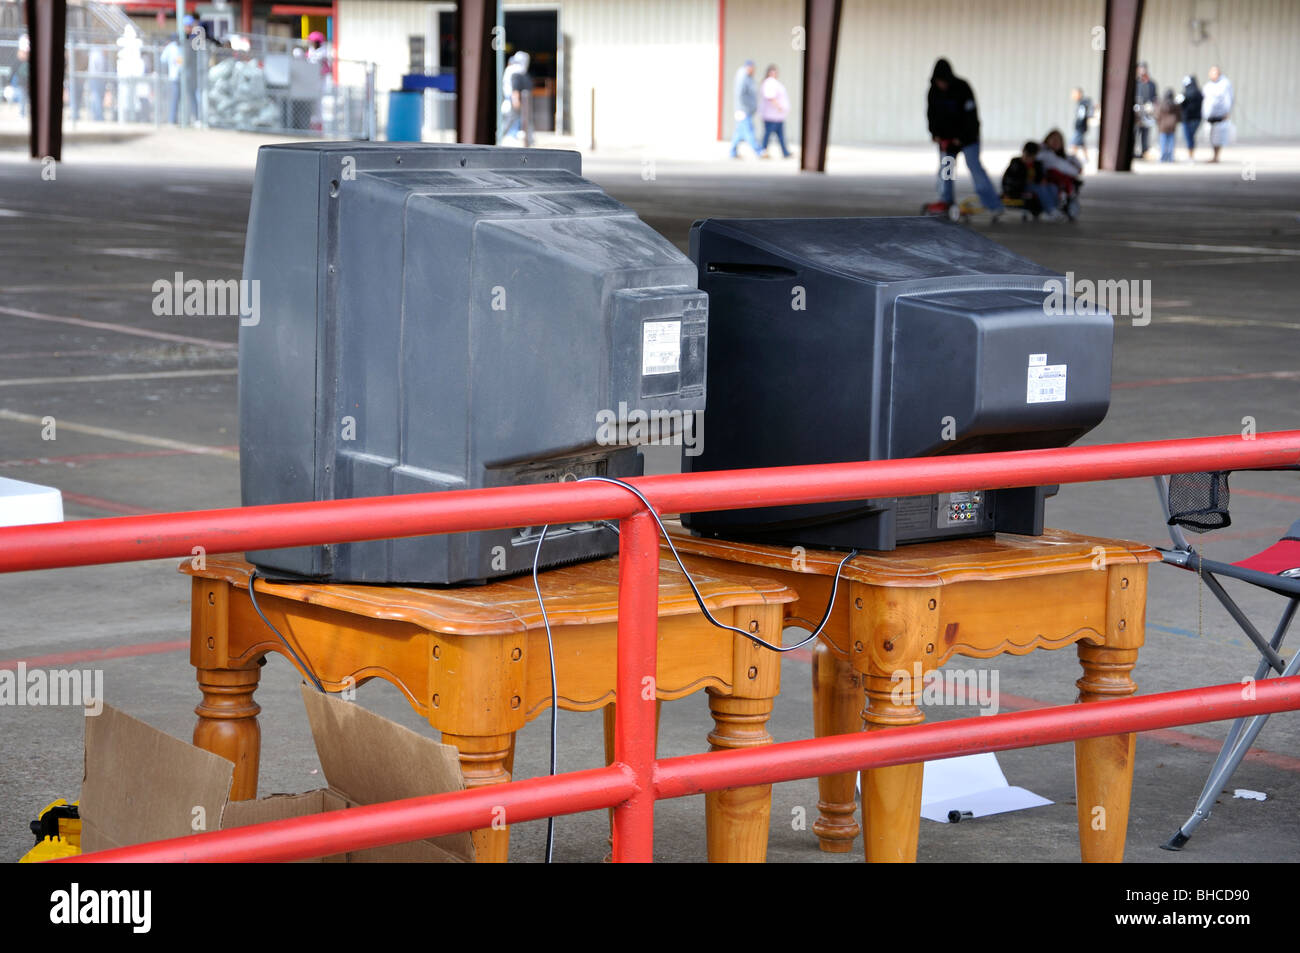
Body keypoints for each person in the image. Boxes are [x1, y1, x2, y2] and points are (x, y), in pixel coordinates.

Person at [926, 58, 1004, 218]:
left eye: (944, 81)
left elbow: (971, 117)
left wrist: (961, 138)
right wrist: (935, 134)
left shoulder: (963, 88)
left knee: (974, 167)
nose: (942, 85)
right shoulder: (933, 92)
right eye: (939, 82)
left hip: (968, 138)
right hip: (947, 141)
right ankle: (946, 201)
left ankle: (994, 205)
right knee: (946, 169)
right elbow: (931, 115)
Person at [1039, 129, 1083, 220]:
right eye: (1053, 140)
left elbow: (1076, 167)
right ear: (1047, 140)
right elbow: (1067, 168)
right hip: (1046, 182)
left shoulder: (1066, 157)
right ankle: (1053, 209)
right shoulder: (1044, 154)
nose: (1056, 142)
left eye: (1058, 140)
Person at [729, 59, 761, 158]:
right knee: (749, 131)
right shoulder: (743, 77)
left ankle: (733, 152)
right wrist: (745, 108)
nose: (754, 70)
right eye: (752, 68)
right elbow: (740, 94)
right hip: (743, 110)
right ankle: (759, 151)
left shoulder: (748, 77)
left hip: (746, 110)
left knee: (739, 132)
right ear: (748, 67)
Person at [758, 64, 792, 158]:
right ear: (769, 73)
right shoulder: (769, 82)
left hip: (777, 116)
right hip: (771, 115)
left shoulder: (774, 82)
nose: (775, 74)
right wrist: (779, 106)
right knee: (767, 134)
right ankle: (762, 151)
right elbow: (770, 97)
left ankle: (785, 152)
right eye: (773, 72)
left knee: (780, 136)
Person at [498, 50, 531, 145]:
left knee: (513, 121)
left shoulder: (511, 68)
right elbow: (515, 88)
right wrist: (516, 100)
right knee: (510, 121)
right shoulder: (516, 70)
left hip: (510, 99)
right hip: (511, 100)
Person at [1202, 65, 1234, 163]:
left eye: (1214, 72)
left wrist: (1227, 112)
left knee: (1218, 137)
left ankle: (1216, 156)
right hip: (1210, 116)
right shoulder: (1208, 85)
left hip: (1220, 115)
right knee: (1211, 137)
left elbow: (1228, 99)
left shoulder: (1224, 84)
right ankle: (1213, 155)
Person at [1133, 61, 1157, 158]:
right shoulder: (1135, 82)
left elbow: (1155, 97)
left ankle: (1144, 151)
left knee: (1145, 132)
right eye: (1140, 68)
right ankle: (1133, 152)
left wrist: (1151, 105)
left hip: (1146, 112)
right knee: (1135, 133)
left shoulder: (1151, 84)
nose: (1142, 70)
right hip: (1136, 112)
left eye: (1144, 68)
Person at [1179, 74, 1202, 161]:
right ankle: (1191, 155)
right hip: (1196, 119)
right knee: (1191, 137)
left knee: (1189, 137)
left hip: (1189, 119)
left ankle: (1190, 156)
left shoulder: (1186, 94)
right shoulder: (1198, 93)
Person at [1069, 87, 1093, 165]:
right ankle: (1086, 159)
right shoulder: (1082, 103)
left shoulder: (1082, 104)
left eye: (1074, 94)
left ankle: (1072, 159)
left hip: (1080, 127)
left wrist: (1079, 124)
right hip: (1081, 127)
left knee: (1074, 143)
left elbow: (1082, 116)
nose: (1072, 96)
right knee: (1081, 143)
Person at [1156, 88, 1181, 162]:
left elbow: (1157, 115)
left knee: (1163, 142)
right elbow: (1179, 115)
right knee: (1171, 142)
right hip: (1172, 125)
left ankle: (1163, 157)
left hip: (1163, 126)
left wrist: (1158, 122)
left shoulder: (1161, 104)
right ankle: (1171, 157)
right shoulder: (1176, 105)